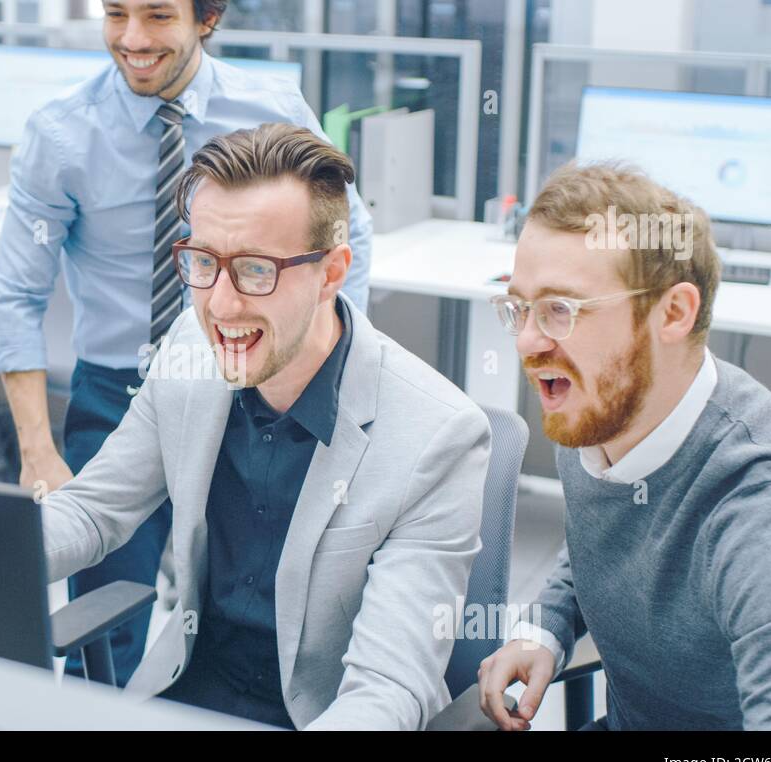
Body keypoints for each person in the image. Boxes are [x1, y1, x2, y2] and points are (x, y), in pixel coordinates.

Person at [39, 124, 489, 729]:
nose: (220, 306)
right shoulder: (187, 352)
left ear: (332, 273)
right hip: (186, 694)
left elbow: (386, 688)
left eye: (254, 270)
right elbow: (94, 512)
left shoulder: (437, 435)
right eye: (202, 262)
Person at [0, 0, 375, 685]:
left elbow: (349, 236)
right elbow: (18, 294)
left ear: (207, 19)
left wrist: (329, 371)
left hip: (252, 390)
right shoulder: (62, 134)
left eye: (158, 15)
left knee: (261, 610)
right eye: (116, 14)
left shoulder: (270, 108)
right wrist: (37, 452)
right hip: (117, 396)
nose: (132, 38)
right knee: (105, 625)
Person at [477, 162, 771, 730]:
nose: (527, 340)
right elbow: (607, 540)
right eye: (519, 307)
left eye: (561, 310)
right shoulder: (603, 410)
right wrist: (545, 625)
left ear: (673, 313)